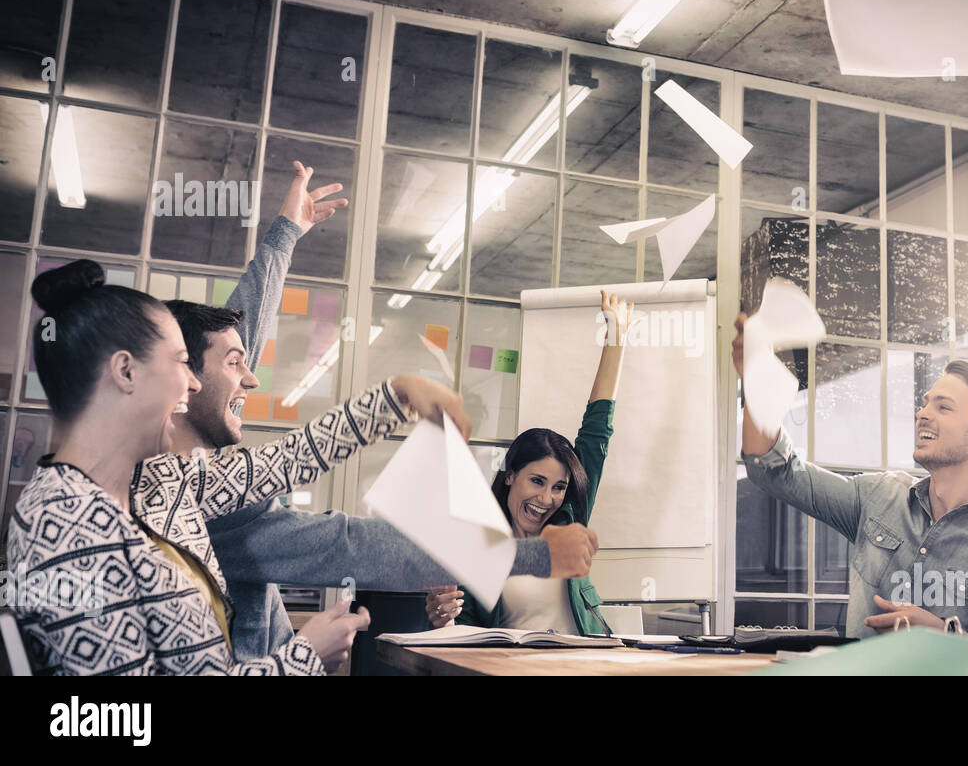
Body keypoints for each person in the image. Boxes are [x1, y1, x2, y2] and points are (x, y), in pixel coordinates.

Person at [161, 161, 597, 662]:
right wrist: (537, 556)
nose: (252, 378)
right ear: (181, 380)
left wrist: (283, 239)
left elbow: (230, 345)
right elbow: (353, 545)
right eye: (236, 365)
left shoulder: (196, 475)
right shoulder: (200, 504)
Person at [6, 259, 463, 675]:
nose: (191, 381)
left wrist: (397, 395)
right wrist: (301, 658)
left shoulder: (160, 479)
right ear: (126, 372)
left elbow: (288, 460)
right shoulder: (68, 525)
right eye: (182, 363)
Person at [732, 325, 968, 640]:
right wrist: (758, 384)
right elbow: (776, 471)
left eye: (943, 407)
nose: (922, 413)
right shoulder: (879, 497)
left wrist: (943, 636)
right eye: (925, 403)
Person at [424, 290, 632, 635]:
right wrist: (443, 619)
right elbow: (462, 630)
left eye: (559, 487)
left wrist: (617, 339)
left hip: (582, 665)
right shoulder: (477, 544)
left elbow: (597, 432)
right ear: (510, 476)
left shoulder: (569, 521)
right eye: (537, 481)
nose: (547, 498)